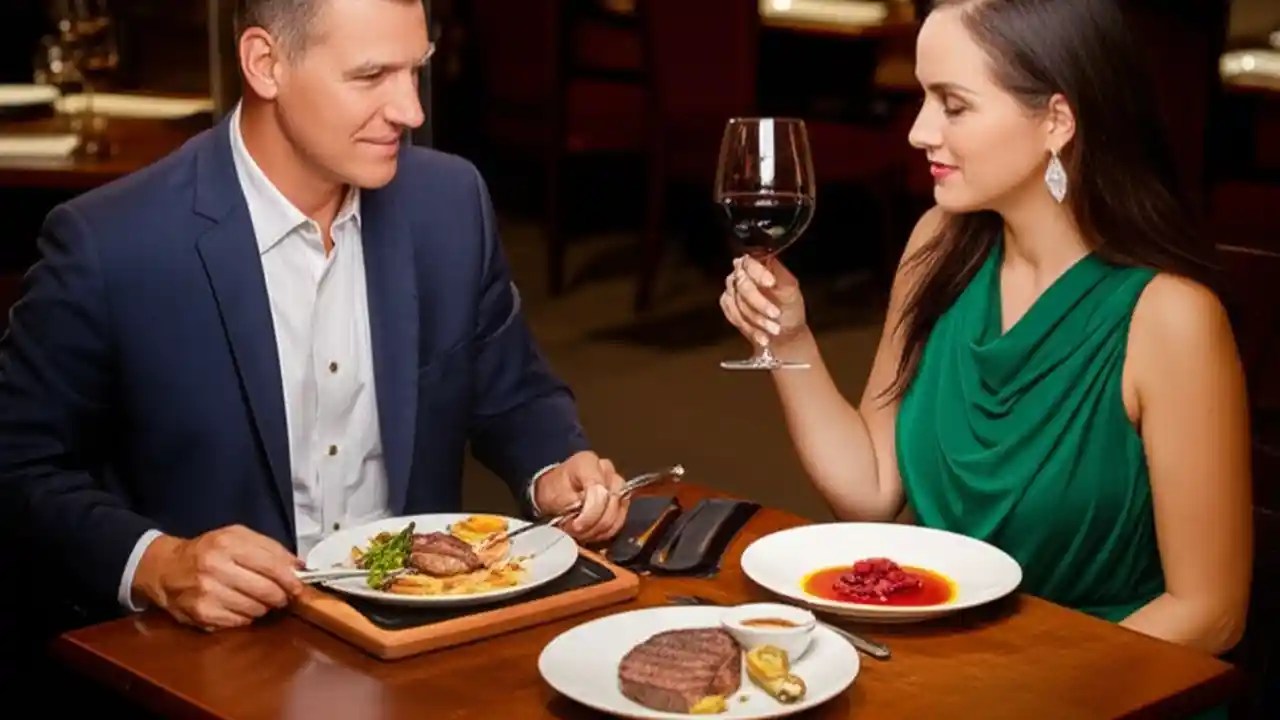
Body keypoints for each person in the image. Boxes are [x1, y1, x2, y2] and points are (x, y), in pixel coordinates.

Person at [0, 0, 629, 637]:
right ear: (265, 64)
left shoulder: (449, 202)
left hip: (416, 640)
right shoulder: (113, 244)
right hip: (212, 655)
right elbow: (18, 465)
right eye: (370, 76)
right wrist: (159, 564)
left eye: (415, 71)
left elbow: (513, 393)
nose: (410, 111)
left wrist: (553, 466)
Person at [721, 0, 1253, 661]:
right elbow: (873, 489)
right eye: (923, 97)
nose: (917, 131)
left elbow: (1210, 613)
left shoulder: (1168, 316)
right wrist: (789, 341)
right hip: (950, 667)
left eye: (953, 104)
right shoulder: (939, 245)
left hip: (1108, 687)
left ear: (1056, 120)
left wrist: (1021, 685)